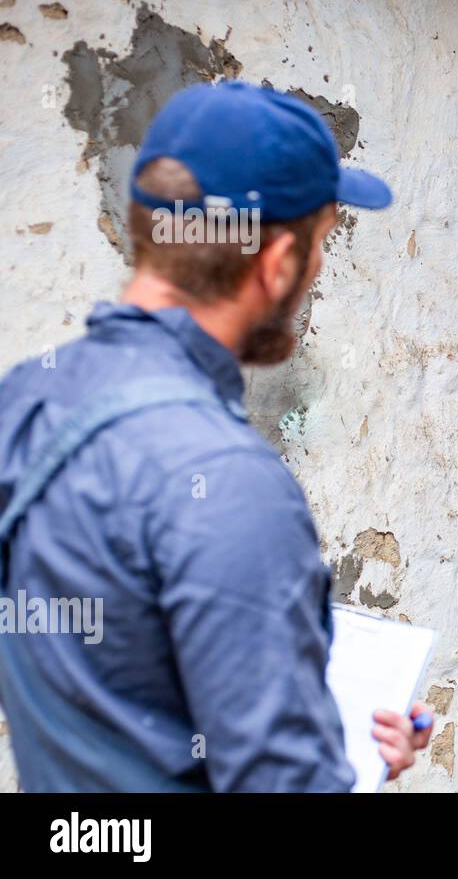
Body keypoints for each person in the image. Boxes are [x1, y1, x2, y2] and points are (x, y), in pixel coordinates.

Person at [0, 81, 429, 791]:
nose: (317, 267)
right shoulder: (228, 483)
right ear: (276, 264)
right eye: (320, 243)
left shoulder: (25, 398)